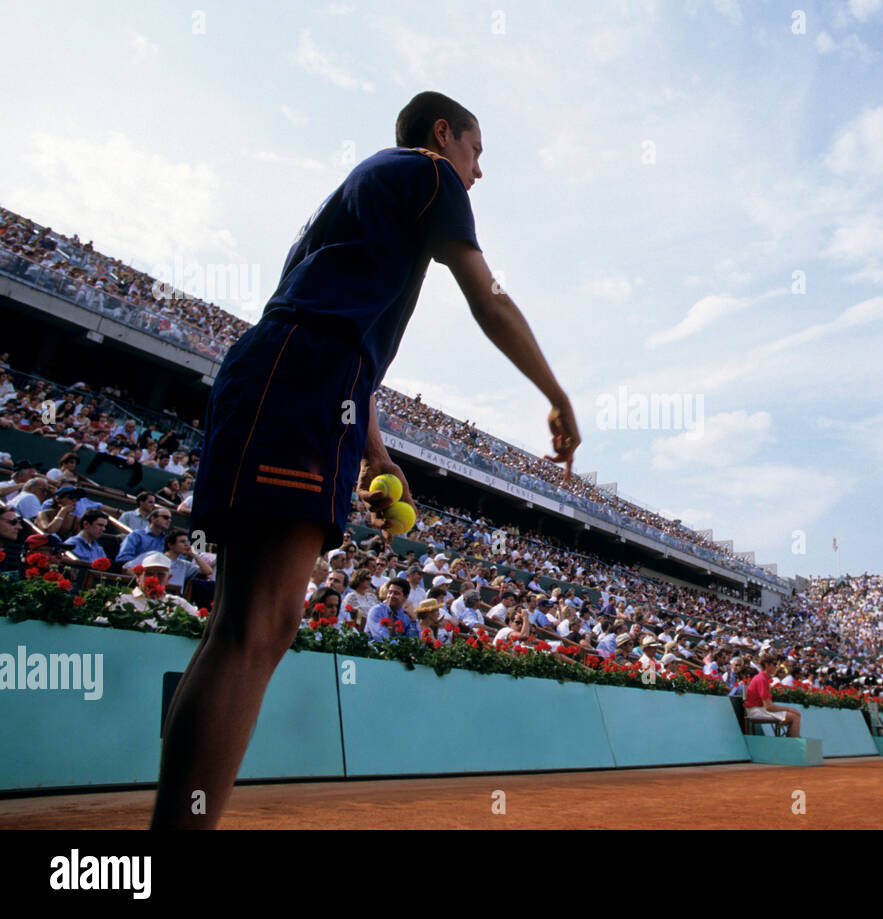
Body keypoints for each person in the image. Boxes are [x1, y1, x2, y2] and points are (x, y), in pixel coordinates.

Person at [153, 90, 579, 829]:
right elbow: (489, 295)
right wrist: (556, 393)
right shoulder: (428, 173)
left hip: (299, 370)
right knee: (256, 627)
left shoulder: (358, 197)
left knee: (248, 624)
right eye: (478, 152)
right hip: (305, 374)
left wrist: (375, 453)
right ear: (444, 135)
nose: (479, 173)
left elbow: (340, 327)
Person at [744, 654, 802, 737]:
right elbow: (769, 707)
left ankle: (791, 742)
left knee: (796, 715)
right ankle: (794, 744)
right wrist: (789, 709)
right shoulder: (761, 679)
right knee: (795, 717)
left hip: (758, 709)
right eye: (774, 664)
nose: (776, 667)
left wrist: (789, 710)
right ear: (767, 665)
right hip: (755, 710)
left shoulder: (763, 678)